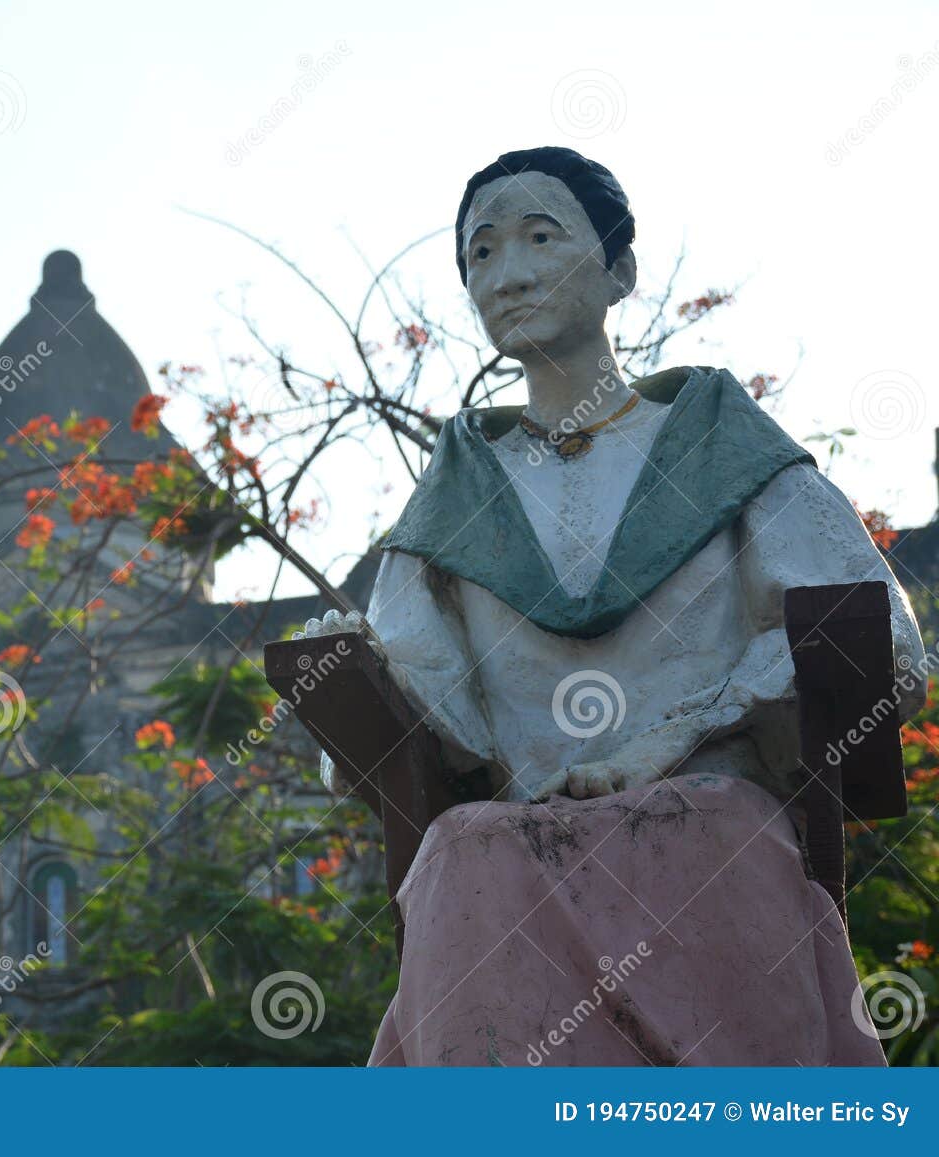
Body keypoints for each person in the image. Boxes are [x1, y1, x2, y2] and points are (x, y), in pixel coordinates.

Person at [303, 146, 922, 1066]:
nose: (506, 275)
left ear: (620, 270)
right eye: (479, 255)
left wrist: (677, 738)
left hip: (711, 809)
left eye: (540, 238)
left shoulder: (723, 448)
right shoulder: (454, 498)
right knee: (457, 854)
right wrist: (355, 676)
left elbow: (890, 647)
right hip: (509, 835)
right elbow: (394, 732)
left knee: (707, 823)